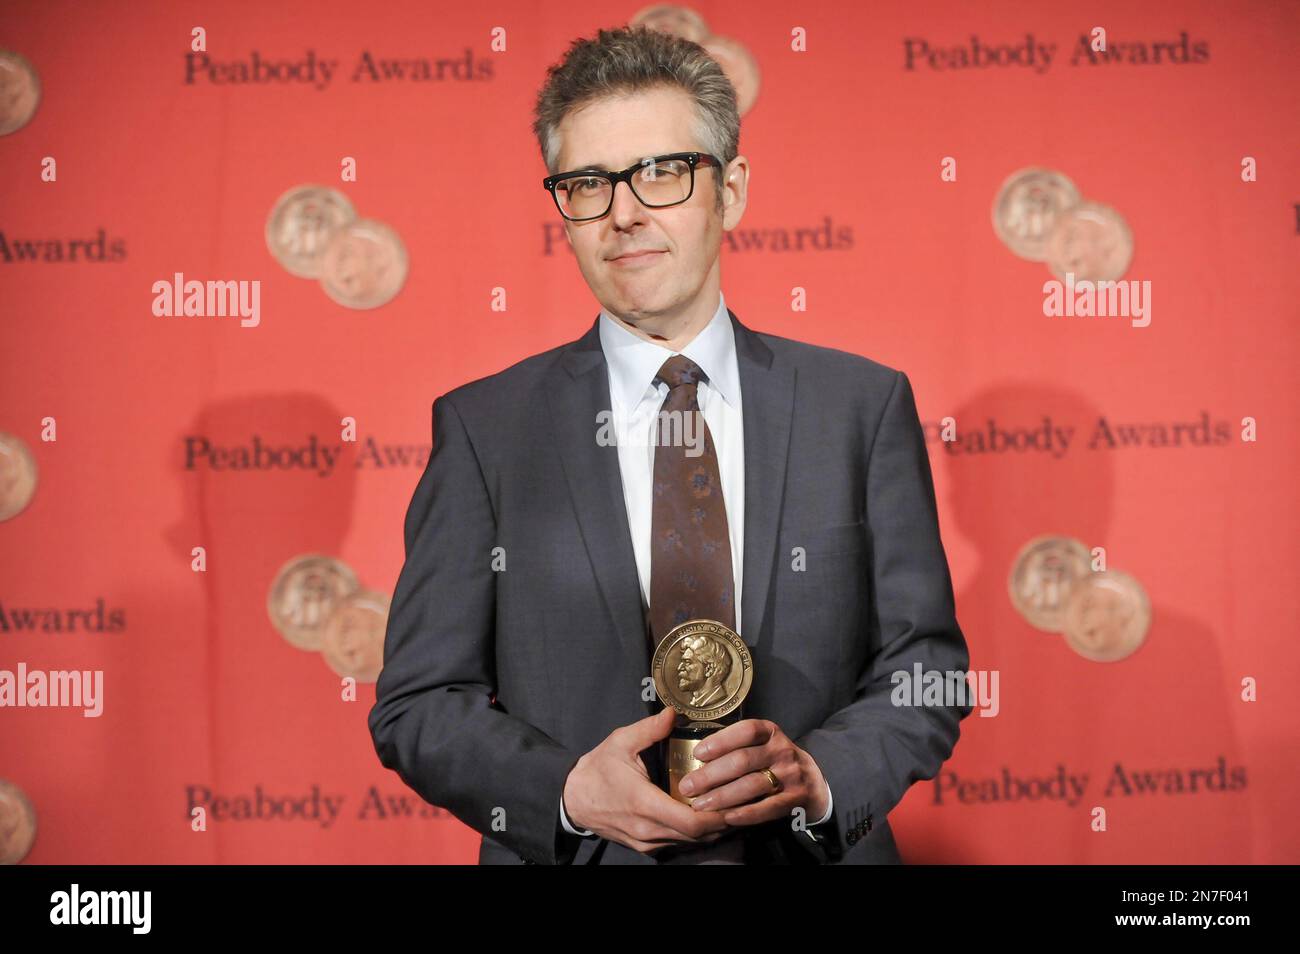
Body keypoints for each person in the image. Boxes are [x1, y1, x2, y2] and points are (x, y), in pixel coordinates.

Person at [368, 25, 971, 865]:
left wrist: (822, 775)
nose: (624, 212)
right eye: (588, 183)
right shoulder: (485, 430)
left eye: (661, 171)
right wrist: (569, 794)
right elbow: (419, 704)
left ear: (732, 191)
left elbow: (926, 673)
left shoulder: (861, 407)